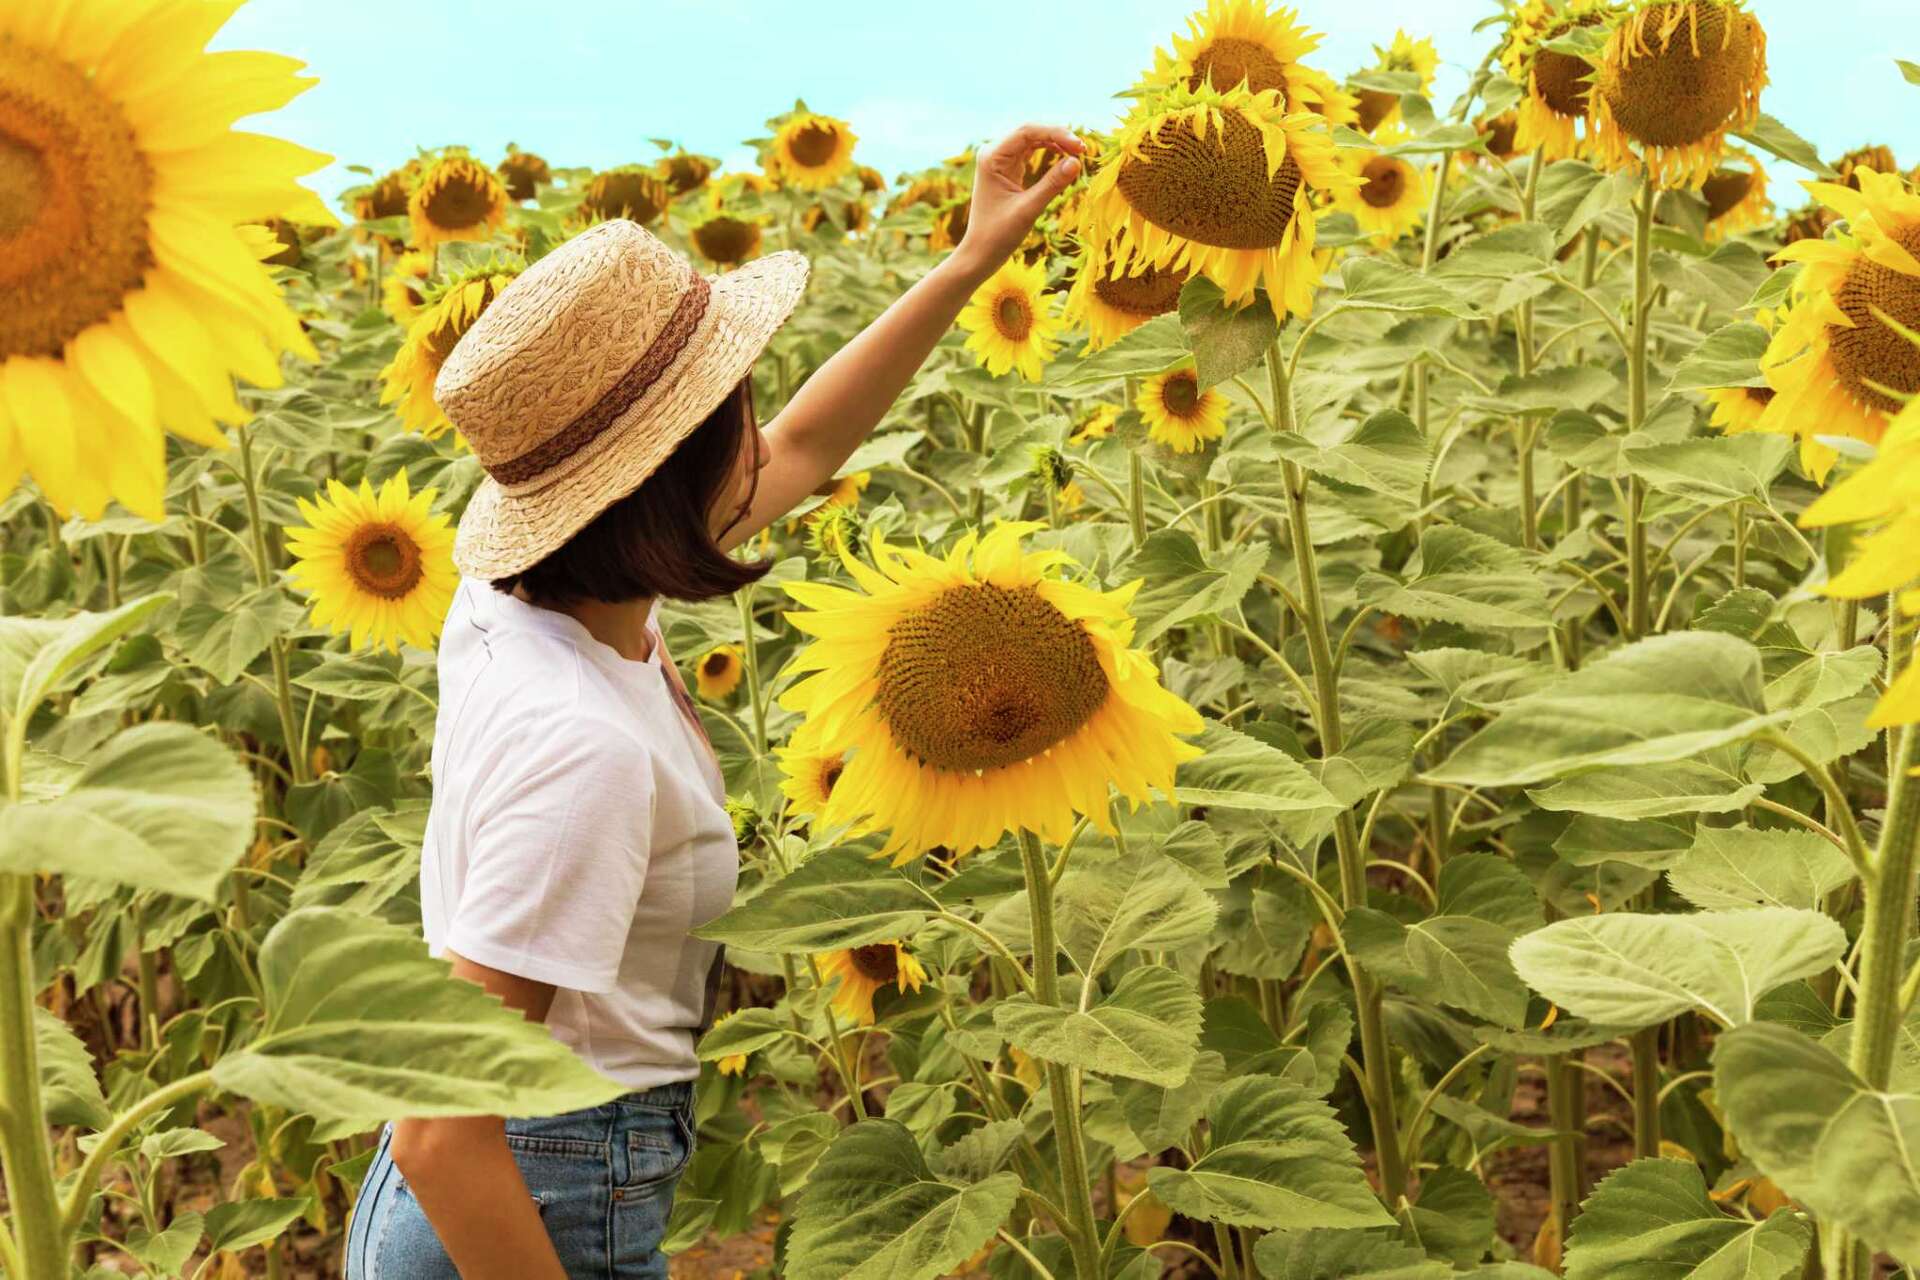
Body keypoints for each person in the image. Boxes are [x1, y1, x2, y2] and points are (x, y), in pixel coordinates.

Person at [342, 123, 1084, 1280]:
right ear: (668, 477)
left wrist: (966, 263)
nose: (759, 422)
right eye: (733, 401)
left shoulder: (525, 594)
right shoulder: (581, 746)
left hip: (516, 1175)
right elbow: (442, 1130)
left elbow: (805, 445)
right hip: (528, 1194)